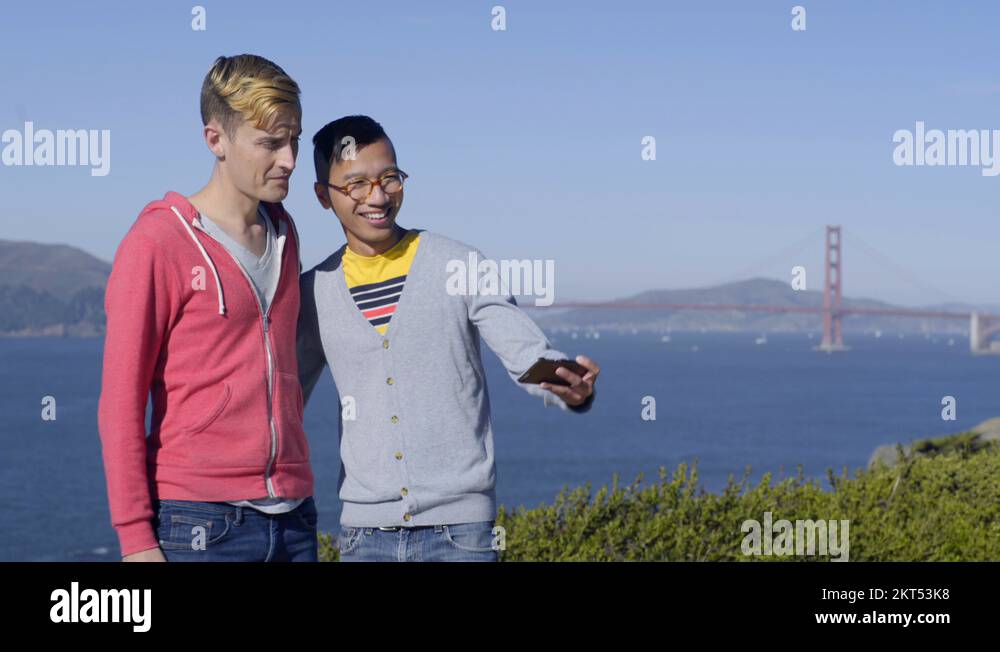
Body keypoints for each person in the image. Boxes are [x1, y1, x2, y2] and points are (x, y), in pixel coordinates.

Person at [297, 115, 600, 562]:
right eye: (356, 184)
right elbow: (282, 400)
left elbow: (527, 356)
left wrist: (570, 387)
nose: (378, 196)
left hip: (461, 535)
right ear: (324, 196)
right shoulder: (313, 290)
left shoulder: (460, 265)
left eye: (390, 178)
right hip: (363, 537)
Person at [98, 54, 316, 562]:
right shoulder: (158, 241)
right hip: (199, 523)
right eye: (270, 143)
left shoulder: (285, 233)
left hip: (295, 516)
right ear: (216, 140)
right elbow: (120, 402)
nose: (289, 159)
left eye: (295, 140)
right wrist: (136, 541)